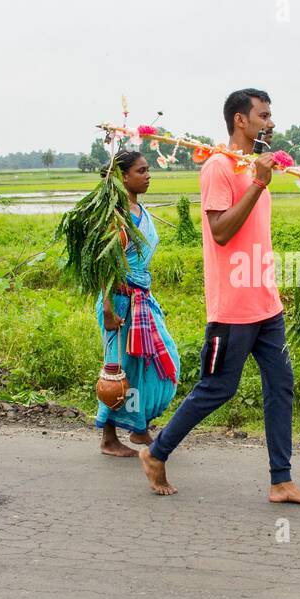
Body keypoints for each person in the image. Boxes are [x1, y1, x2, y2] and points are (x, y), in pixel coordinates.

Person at [138, 88, 300, 505]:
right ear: (241, 120)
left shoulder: (253, 166)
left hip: (266, 304)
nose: (271, 123)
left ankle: (281, 480)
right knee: (218, 388)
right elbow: (221, 232)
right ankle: (156, 451)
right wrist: (258, 184)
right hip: (232, 309)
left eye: (270, 115)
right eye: (263, 115)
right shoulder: (219, 169)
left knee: (281, 386)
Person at [95, 151, 180, 457]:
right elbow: (102, 263)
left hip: (142, 299)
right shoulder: (115, 215)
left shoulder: (138, 209)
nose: (148, 175)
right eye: (141, 171)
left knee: (157, 360)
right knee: (120, 369)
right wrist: (107, 307)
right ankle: (109, 437)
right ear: (123, 177)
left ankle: (139, 426)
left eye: (148, 170)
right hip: (118, 301)